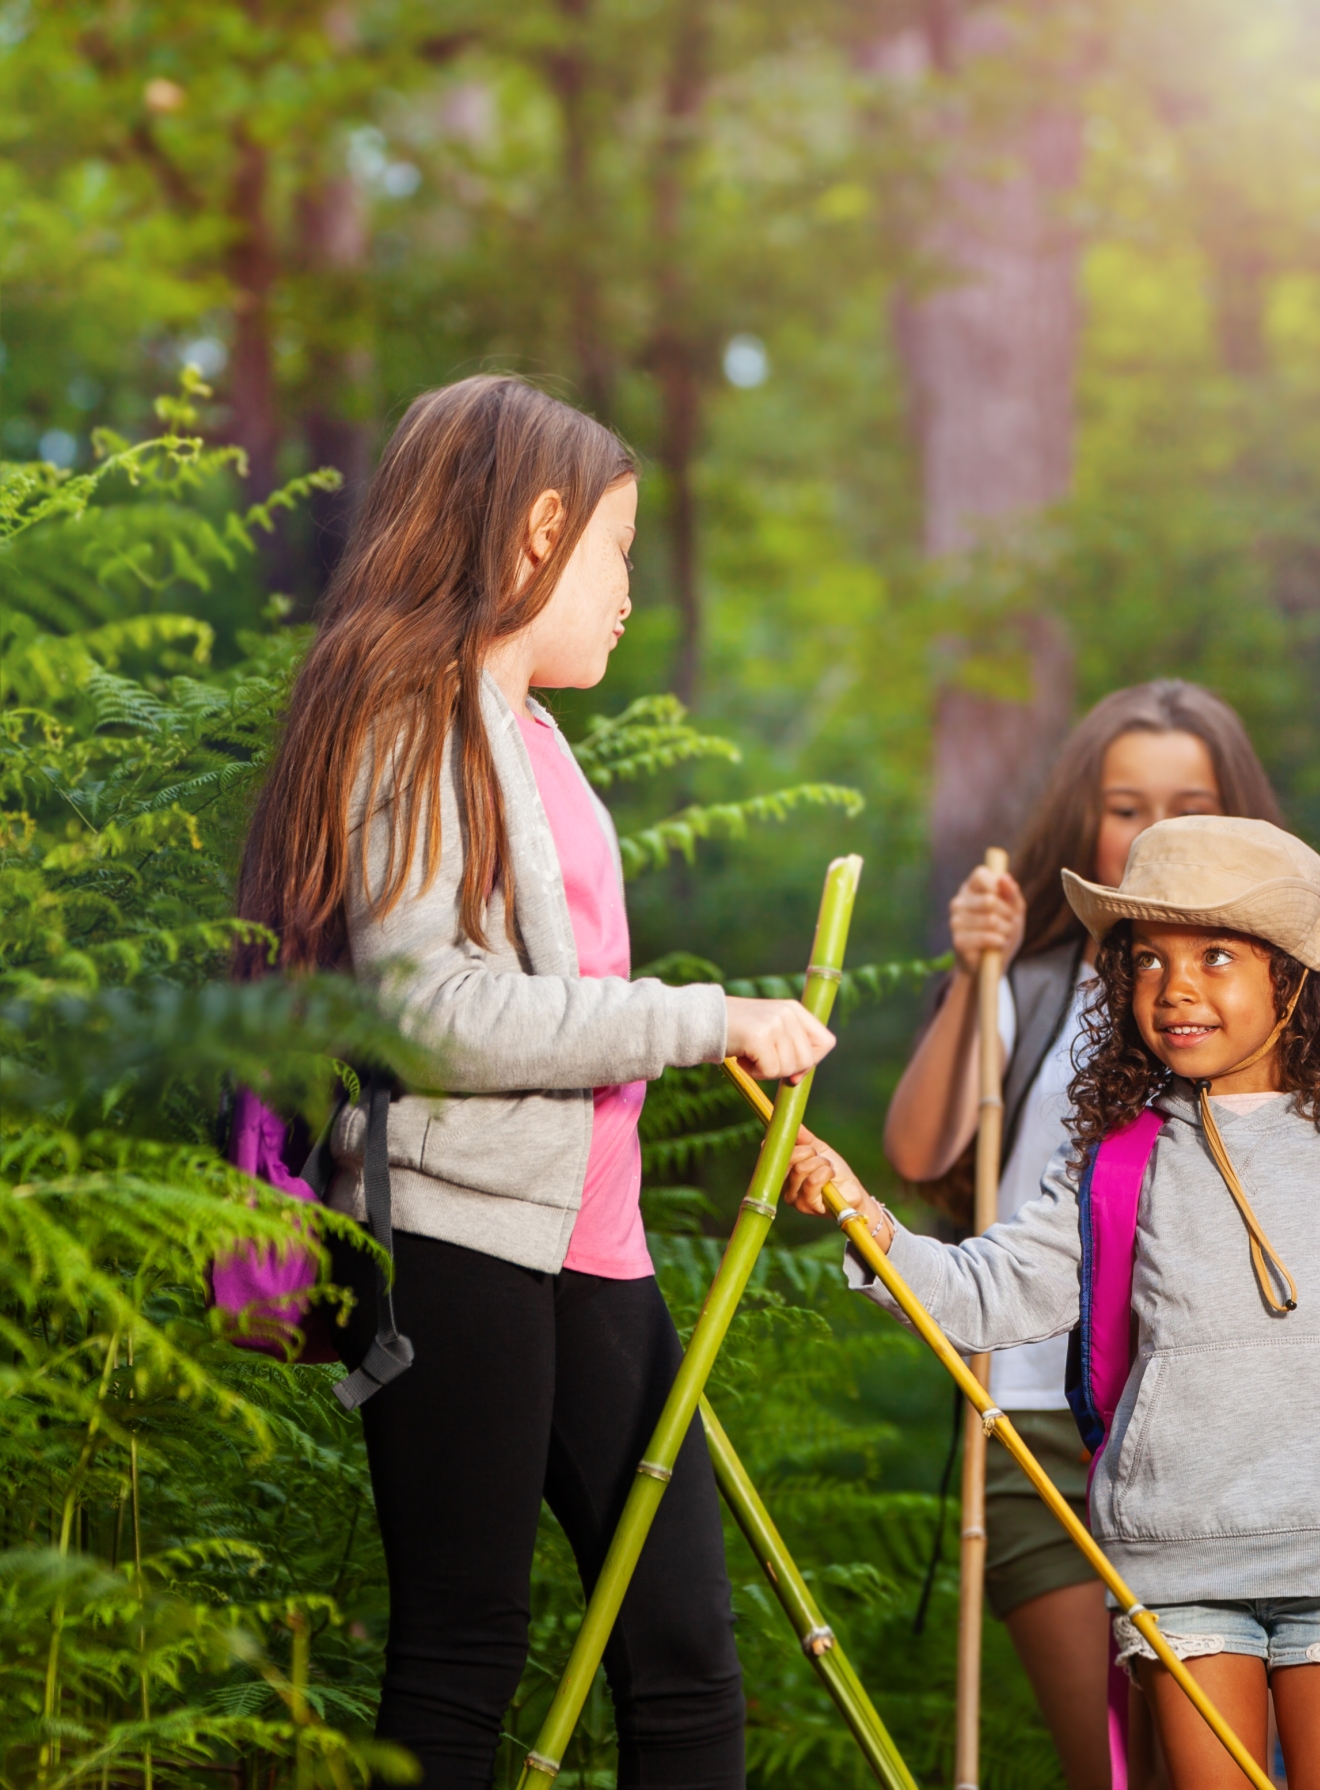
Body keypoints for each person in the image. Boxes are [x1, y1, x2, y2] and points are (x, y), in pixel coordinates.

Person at [234, 374, 835, 1790]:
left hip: (593, 1241)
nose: (626, 590)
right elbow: (432, 1012)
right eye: (616, 551)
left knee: (684, 1647)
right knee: (463, 1647)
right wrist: (708, 1019)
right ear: (538, 528)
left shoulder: (537, 736)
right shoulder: (404, 713)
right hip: (459, 1237)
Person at [791, 816, 1320, 1790]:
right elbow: (991, 1290)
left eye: (1216, 955)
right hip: (1179, 1551)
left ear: (1294, 976)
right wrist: (871, 1222)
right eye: (1148, 960)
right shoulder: (1116, 1153)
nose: (1175, 986)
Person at [881, 682, 1285, 1790]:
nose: (1153, 829)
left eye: (1187, 802)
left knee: (1215, 1762)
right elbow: (918, 1151)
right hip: (1035, 1419)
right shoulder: (1036, 985)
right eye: (1125, 805)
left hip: (1222, 1421)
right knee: (1112, 1766)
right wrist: (976, 976)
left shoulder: (1276, 999)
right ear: (1082, 822)